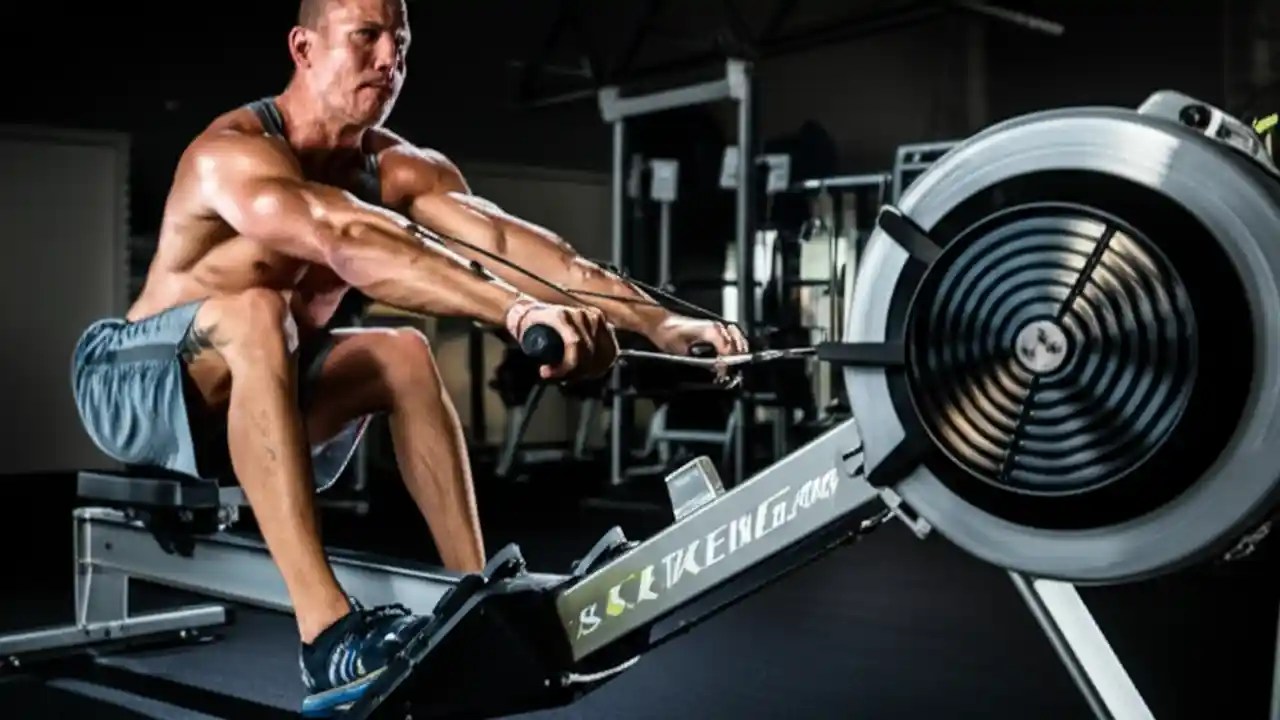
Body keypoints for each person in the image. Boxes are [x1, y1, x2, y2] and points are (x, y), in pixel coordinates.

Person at [70, 0, 747, 715]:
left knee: (403, 353)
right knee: (256, 308)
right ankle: (325, 638)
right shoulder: (232, 153)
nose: (390, 59)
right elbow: (342, 234)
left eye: (401, 42)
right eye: (367, 37)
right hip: (133, 385)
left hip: (260, 393)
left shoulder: (396, 167)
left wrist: (659, 322)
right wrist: (515, 313)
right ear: (303, 47)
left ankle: (480, 599)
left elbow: (526, 252)